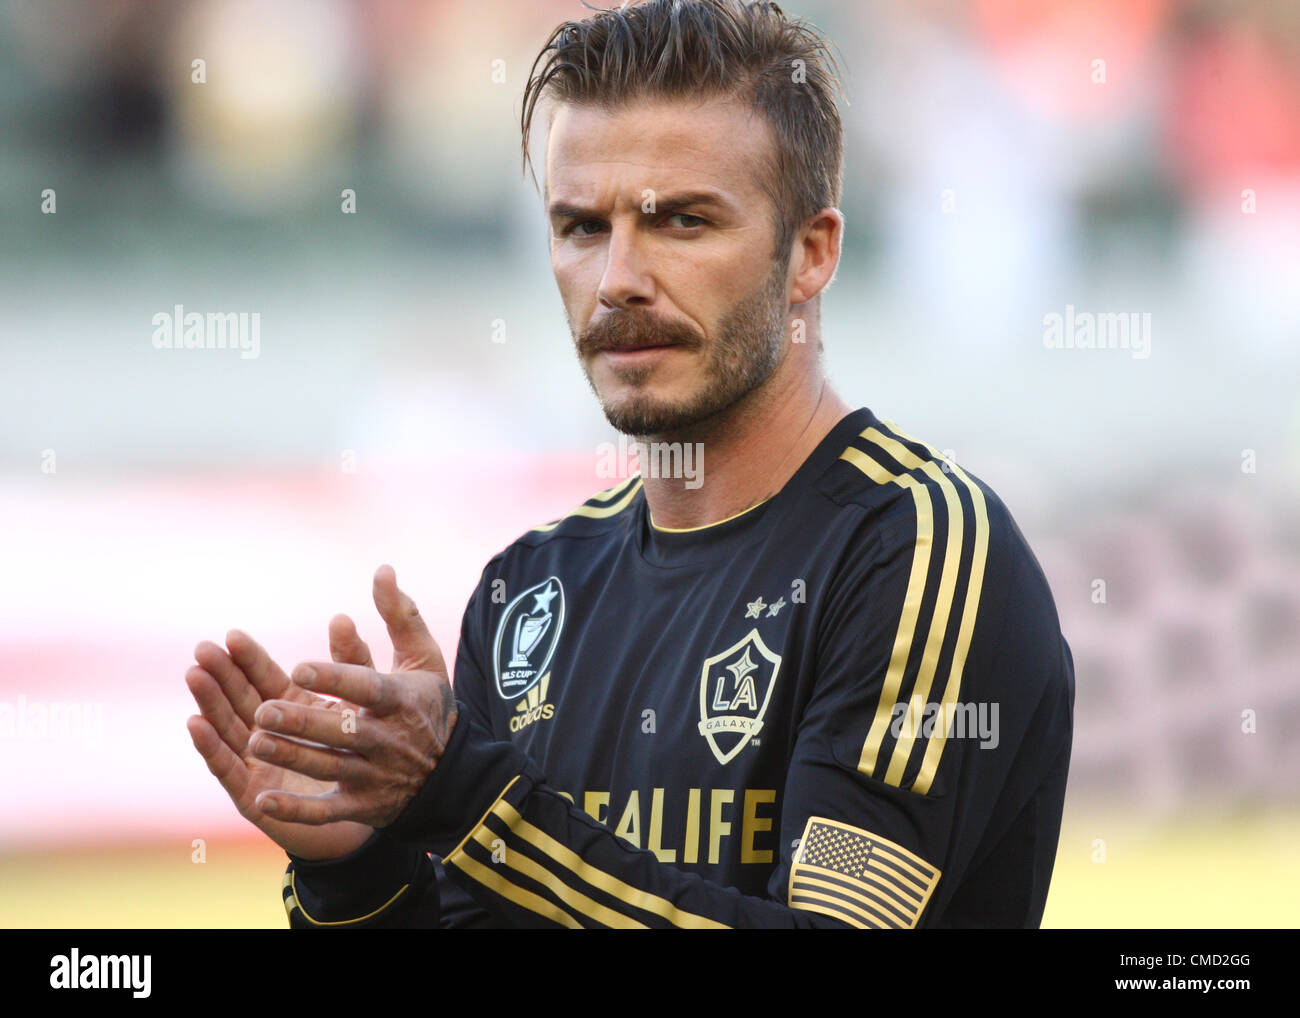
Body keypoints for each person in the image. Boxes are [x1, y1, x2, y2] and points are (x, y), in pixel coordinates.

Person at [186, 0, 1074, 929]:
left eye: (681, 222)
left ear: (812, 254)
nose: (617, 278)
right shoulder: (530, 591)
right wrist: (356, 875)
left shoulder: (915, 550)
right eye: (579, 228)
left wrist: (463, 794)